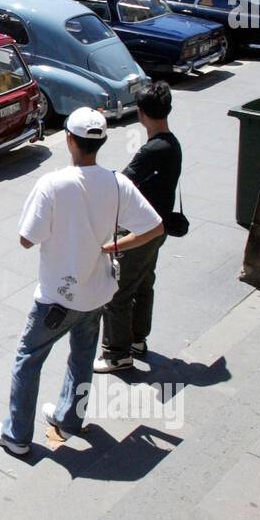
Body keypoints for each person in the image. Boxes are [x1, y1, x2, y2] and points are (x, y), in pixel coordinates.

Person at [0, 108, 164, 454]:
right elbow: (154, 227)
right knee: (81, 358)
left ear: (69, 139)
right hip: (96, 293)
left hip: (57, 296)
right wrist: (115, 244)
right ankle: (70, 418)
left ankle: (17, 435)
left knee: (28, 356)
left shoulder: (52, 184)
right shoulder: (117, 182)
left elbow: (27, 239)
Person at [97, 82, 181, 373]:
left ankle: (116, 353)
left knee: (117, 292)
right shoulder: (172, 144)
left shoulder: (152, 150)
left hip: (139, 231)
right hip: (158, 229)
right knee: (144, 284)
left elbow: (120, 182)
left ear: (142, 113)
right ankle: (137, 340)